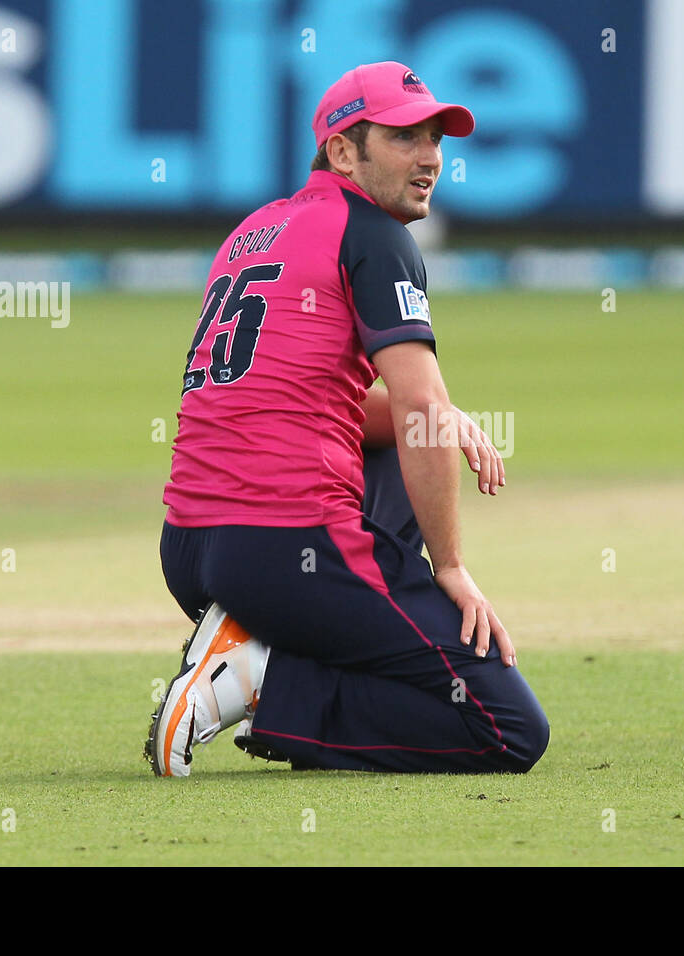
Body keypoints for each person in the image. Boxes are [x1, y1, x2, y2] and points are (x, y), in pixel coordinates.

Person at [146, 61, 550, 777]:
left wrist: (441, 416)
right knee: (509, 728)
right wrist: (450, 567)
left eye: (434, 137)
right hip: (283, 544)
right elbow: (418, 408)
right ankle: (263, 680)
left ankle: (251, 645)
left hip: (191, 548)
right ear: (342, 150)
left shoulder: (255, 230)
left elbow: (295, 396)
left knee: (406, 429)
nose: (429, 156)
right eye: (403, 137)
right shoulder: (373, 236)